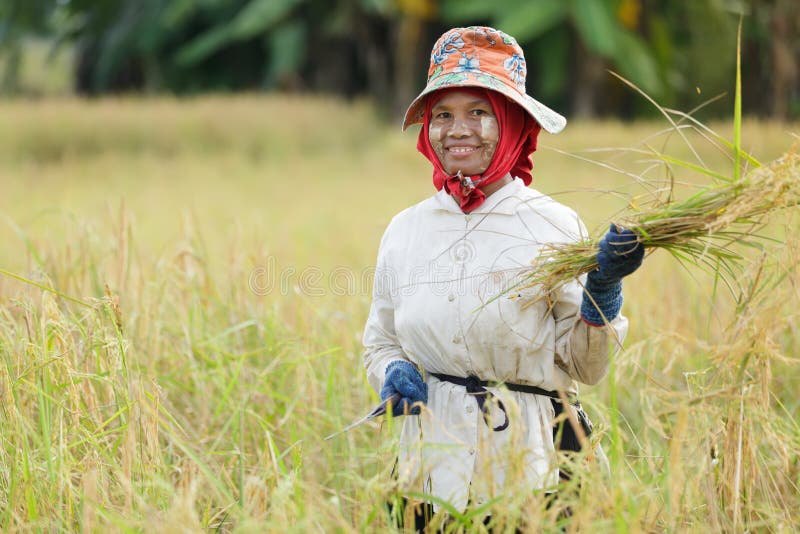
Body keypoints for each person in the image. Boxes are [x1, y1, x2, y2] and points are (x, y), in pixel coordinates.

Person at [362, 26, 643, 530]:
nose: (457, 129)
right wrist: (390, 374)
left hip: (528, 463)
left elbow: (585, 367)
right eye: (443, 115)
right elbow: (380, 342)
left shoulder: (552, 224)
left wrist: (603, 292)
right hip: (428, 466)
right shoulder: (406, 230)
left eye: (478, 112)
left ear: (511, 122)